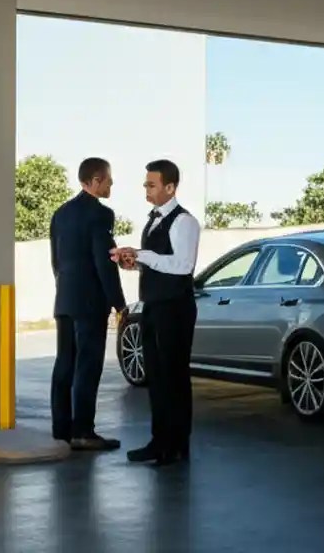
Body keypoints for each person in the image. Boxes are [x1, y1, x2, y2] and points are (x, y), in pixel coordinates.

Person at [111, 159, 201, 467]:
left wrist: (143, 255)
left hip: (175, 308)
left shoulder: (185, 222)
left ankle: (176, 445)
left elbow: (183, 265)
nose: (146, 189)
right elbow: (158, 263)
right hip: (153, 306)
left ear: (170, 187)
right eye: (146, 184)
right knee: (156, 376)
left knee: (174, 375)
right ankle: (159, 441)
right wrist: (132, 262)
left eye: (152, 184)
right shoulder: (152, 220)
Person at [49, 157, 126, 451]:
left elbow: (55, 260)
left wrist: (65, 285)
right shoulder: (100, 214)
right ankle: (83, 431)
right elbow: (104, 262)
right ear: (95, 181)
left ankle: (61, 431)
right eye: (108, 180)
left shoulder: (61, 214)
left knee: (64, 363)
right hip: (90, 302)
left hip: (65, 298)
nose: (110, 184)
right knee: (88, 365)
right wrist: (119, 304)